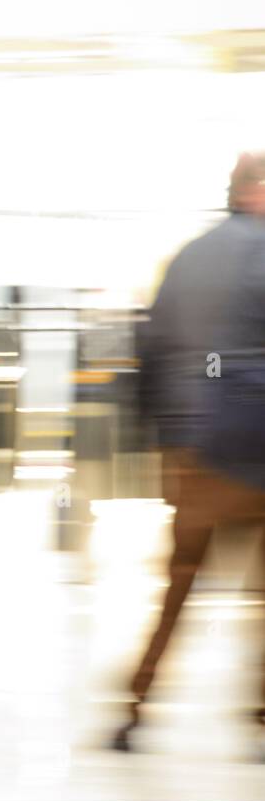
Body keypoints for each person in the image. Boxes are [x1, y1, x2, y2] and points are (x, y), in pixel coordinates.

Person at [114, 152, 265, 751]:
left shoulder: (188, 256)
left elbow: (148, 350)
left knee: (179, 583)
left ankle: (136, 706)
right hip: (249, 447)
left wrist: (161, 442)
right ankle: (258, 713)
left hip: (190, 449)